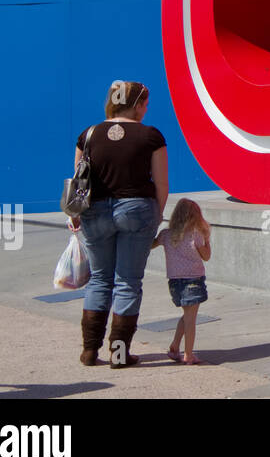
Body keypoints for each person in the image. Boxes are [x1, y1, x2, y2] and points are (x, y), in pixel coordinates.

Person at [70, 80, 168, 367]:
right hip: (137, 210)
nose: (146, 109)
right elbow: (161, 182)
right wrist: (157, 215)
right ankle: (119, 354)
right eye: (145, 104)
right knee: (128, 281)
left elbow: (78, 182)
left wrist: (73, 214)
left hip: (95, 212)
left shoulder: (88, 135)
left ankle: (89, 351)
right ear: (137, 104)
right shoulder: (151, 136)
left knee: (99, 279)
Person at [152, 198, 211, 365]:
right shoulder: (196, 235)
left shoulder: (166, 235)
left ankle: (174, 346)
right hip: (193, 280)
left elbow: (149, 245)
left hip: (174, 282)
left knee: (187, 315)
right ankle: (188, 354)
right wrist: (207, 239)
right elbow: (206, 257)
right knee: (191, 320)